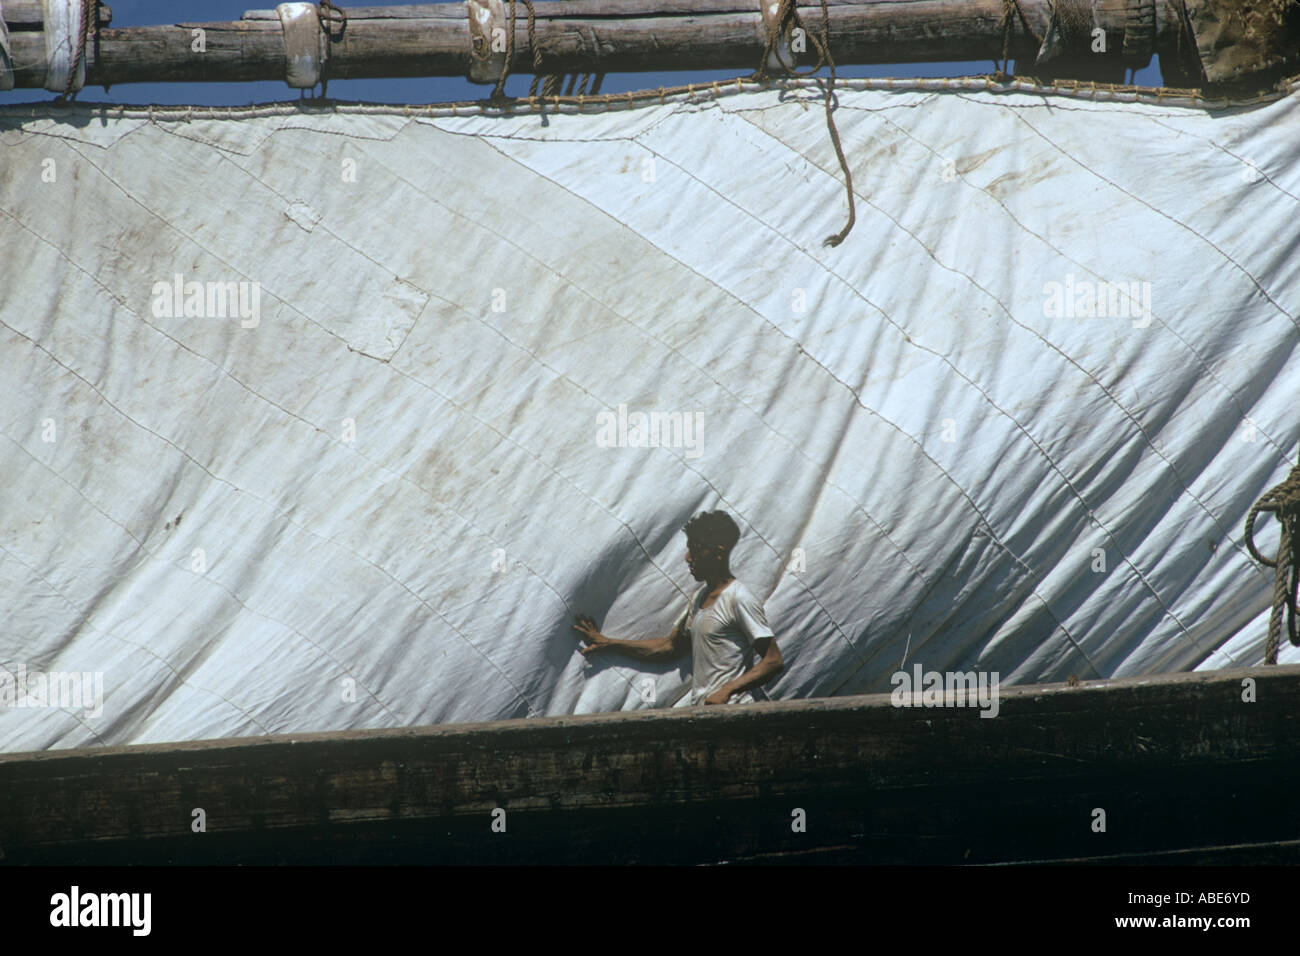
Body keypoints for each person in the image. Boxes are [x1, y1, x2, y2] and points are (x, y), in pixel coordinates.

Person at [573, 510, 783, 705]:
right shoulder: (699, 598)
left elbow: (773, 661)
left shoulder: (739, 599)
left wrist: (726, 691)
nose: (687, 557)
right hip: (705, 710)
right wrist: (609, 643)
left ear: (717, 552)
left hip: (735, 709)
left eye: (695, 549)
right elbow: (669, 647)